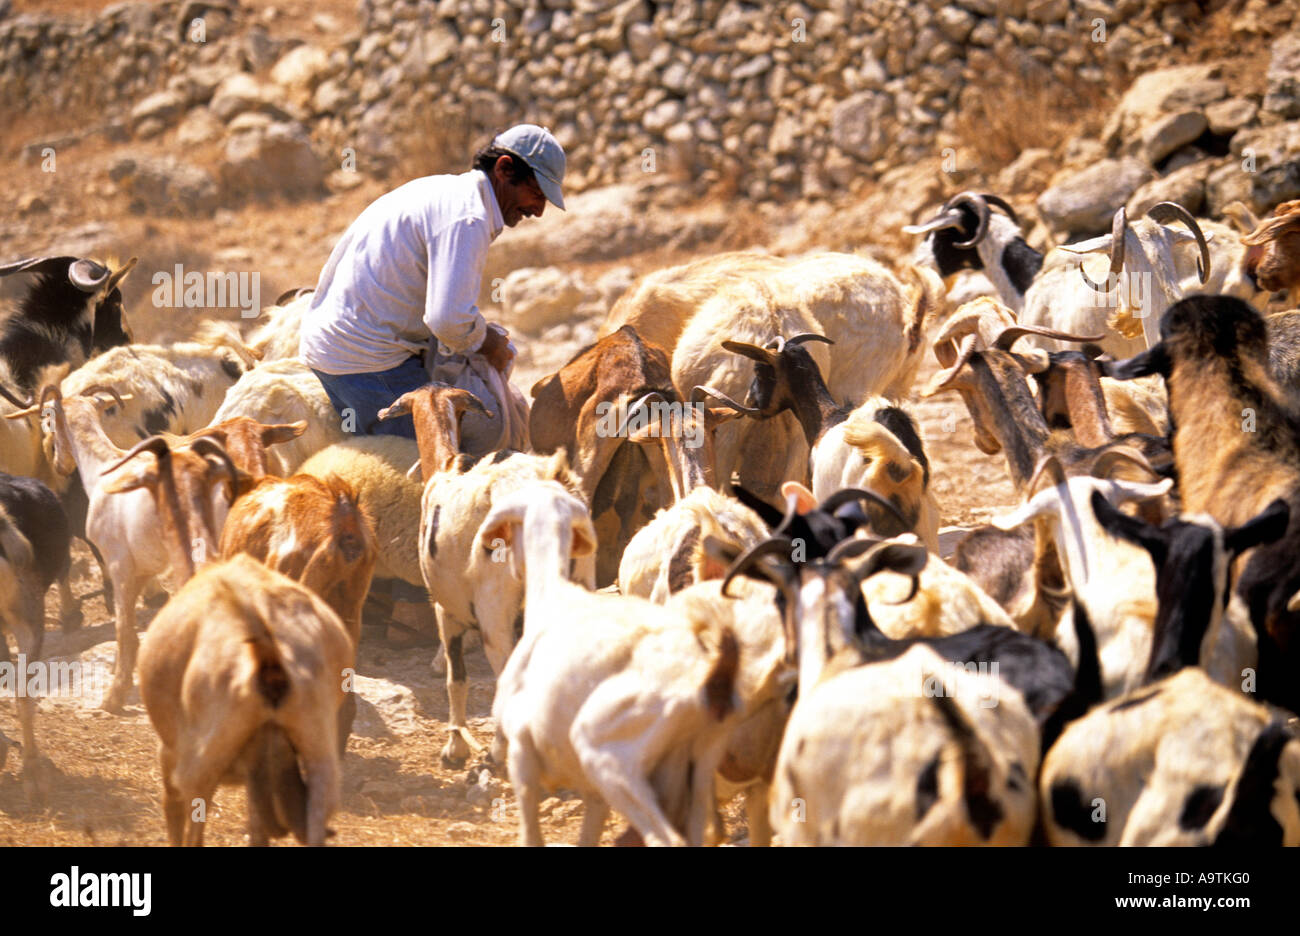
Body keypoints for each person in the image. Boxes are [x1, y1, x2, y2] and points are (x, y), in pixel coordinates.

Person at [300, 123, 566, 451]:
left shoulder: (446, 192)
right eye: (537, 194)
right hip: (366, 361)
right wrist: (488, 342)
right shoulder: (469, 217)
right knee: (435, 471)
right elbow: (447, 320)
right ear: (505, 169)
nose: (538, 211)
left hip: (335, 346)